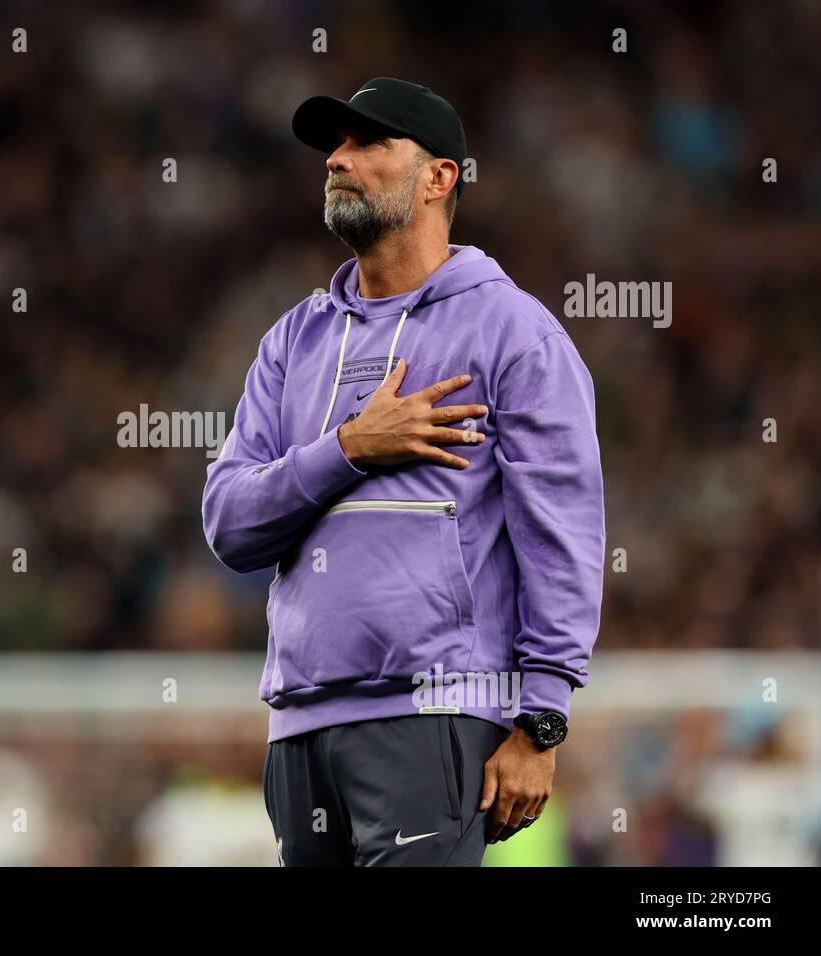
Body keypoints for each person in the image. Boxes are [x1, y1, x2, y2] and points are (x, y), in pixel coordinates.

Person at [202, 78, 605, 865]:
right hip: (300, 724)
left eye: (368, 143)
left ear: (440, 177)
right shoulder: (293, 340)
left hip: (436, 718)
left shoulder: (512, 329)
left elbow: (563, 533)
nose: (338, 160)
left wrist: (542, 720)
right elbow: (228, 522)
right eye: (335, 147)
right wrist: (351, 447)